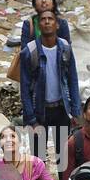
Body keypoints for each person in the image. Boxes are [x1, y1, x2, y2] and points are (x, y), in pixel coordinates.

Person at [19, 8, 81, 137]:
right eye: (43, 19)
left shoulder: (65, 48)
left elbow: (72, 79)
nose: (47, 22)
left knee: (62, 155)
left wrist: (75, 111)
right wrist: (32, 120)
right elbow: (25, 88)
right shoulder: (30, 51)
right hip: (39, 111)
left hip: (61, 108)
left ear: (57, 25)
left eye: (50, 19)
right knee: (38, 155)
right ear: (38, 26)